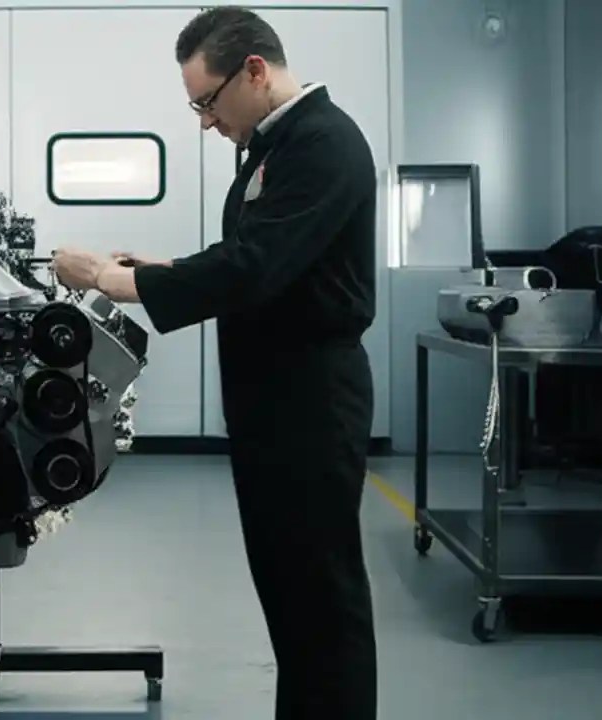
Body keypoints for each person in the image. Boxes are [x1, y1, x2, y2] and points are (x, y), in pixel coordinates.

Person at [51, 6, 378, 719]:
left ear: (254, 71)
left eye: (207, 101)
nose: (204, 120)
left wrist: (112, 281)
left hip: (310, 403)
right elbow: (263, 257)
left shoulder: (321, 143)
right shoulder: (276, 144)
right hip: (276, 401)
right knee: (293, 599)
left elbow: (254, 268)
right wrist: (161, 267)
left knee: (322, 603)